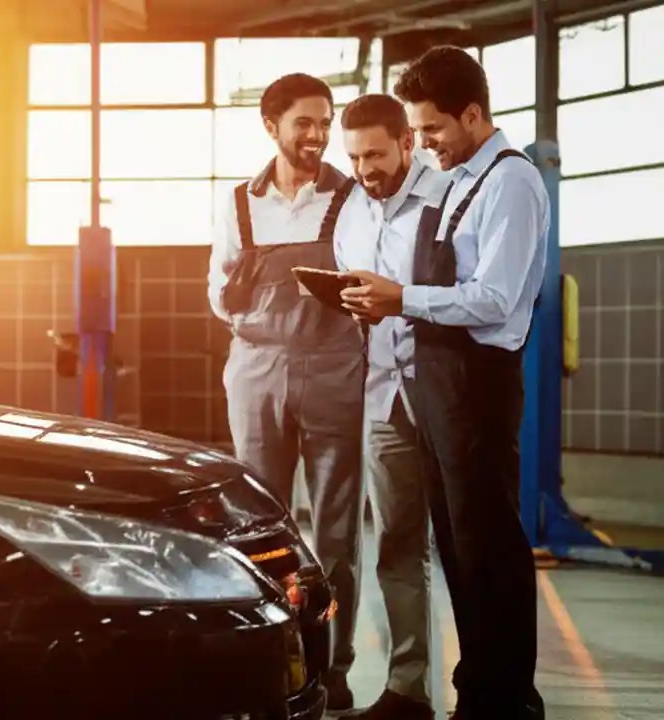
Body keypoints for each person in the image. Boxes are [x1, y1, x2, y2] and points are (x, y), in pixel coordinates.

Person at [340, 46, 550, 720]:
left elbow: (493, 298)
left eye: (431, 129)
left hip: (478, 383)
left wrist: (401, 298)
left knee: (489, 551)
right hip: (440, 382)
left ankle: (508, 702)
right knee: (460, 550)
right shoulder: (460, 177)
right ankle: (478, 693)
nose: (424, 144)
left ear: (473, 114)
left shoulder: (511, 182)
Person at [206, 72, 365, 713]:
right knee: (257, 526)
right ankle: (270, 666)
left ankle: (334, 667)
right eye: (305, 122)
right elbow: (217, 293)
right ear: (271, 126)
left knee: (336, 529)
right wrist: (240, 294)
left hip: (333, 366)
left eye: (325, 122)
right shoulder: (239, 203)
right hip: (257, 365)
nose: (317, 134)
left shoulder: (350, 197)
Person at [331, 93, 451, 720]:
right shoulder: (353, 209)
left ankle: (488, 691)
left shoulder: (448, 197)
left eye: (375, 154)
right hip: (384, 393)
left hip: (447, 393)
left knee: (466, 548)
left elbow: (476, 294)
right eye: (354, 157)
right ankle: (408, 690)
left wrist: (399, 298)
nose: (364, 169)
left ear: (408, 142)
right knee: (399, 546)